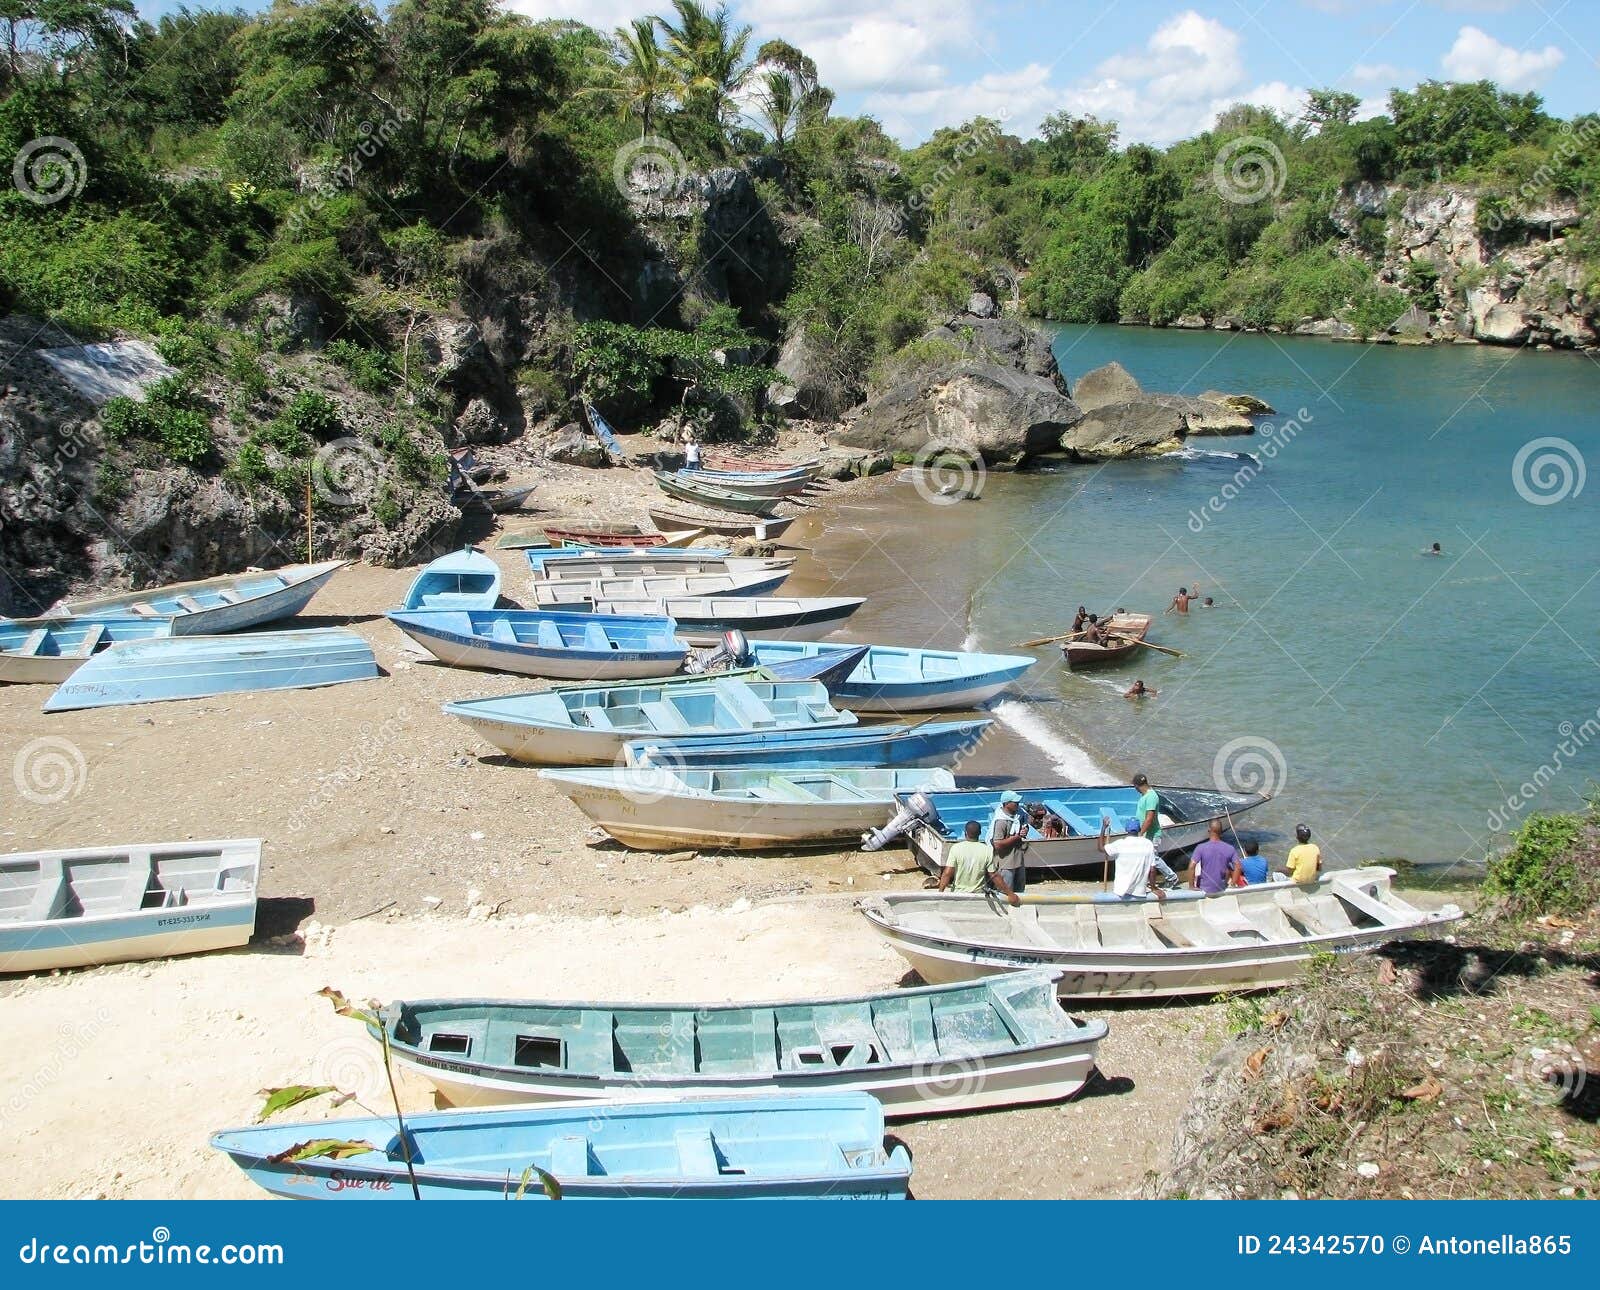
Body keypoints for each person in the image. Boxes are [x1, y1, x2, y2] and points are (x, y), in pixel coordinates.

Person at [937, 820, 1019, 905]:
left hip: (958, 894)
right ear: (980, 833)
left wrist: (940, 893)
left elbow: (947, 873)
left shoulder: (956, 848)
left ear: (965, 833)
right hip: (978, 896)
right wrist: (1010, 894)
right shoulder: (987, 850)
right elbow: (994, 876)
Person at [1098, 816, 1168, 901]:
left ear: (1126, 829)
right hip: (1139, 892)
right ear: (1139, 829)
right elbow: (1152, 869)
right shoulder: (1148, 844)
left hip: (1120, 891)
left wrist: (1103, 828)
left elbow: (1100, 848)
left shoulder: (1119, 844)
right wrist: (1153, 888)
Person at [1131, 773, 1180, 887]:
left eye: (1135, 786)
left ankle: (1172, 877)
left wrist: (1140, 833)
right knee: (1146, 858)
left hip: (1151, 834)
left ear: (1137, 785)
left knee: (1153, 858)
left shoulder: (1151, 797)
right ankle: (1147, 881)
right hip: (1146, 833)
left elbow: (1149, 818)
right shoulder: (1145, 796)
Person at [989, 790, 1029, 895]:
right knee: (1006, 892)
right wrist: (1016, 837)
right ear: (1007, 804)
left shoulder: (1018, 815)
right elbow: (997, 844)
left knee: (1020, 891)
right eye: (1015, 802)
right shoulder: (1001, 821)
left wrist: (1025, 830)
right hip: (1006, 864)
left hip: (1018, 860)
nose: (1018, 804)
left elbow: (1025, 825)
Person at [1189, 820, 1239, 894]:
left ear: (1209, 830)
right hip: (1221, 888)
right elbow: (1238, 866)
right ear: (1221, 831)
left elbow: (1191, 866)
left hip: (1204, 889)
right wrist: (1233, 884)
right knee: (1228, 867)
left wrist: (1191, 886)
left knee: (1198, 872)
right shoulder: (1230, 848)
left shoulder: (1200, 847)